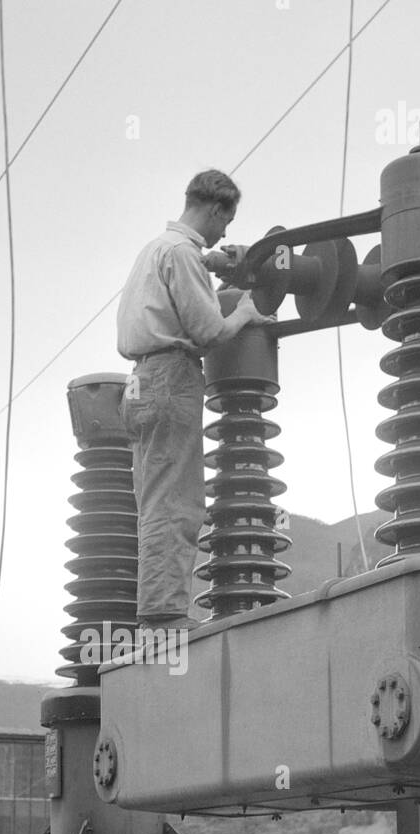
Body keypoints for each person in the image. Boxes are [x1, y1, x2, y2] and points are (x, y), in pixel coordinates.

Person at [116, 169, 274, 629]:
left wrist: (214, 270)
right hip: (172, 377)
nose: (225, 233)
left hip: (140, 383)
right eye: (226, 220)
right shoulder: (183, 254)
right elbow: (209, 331)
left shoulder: (156, 250)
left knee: (154, 499)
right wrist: (244, 310)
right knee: (178, 502)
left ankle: (156, 612)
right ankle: (166, 617)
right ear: (215, 208)